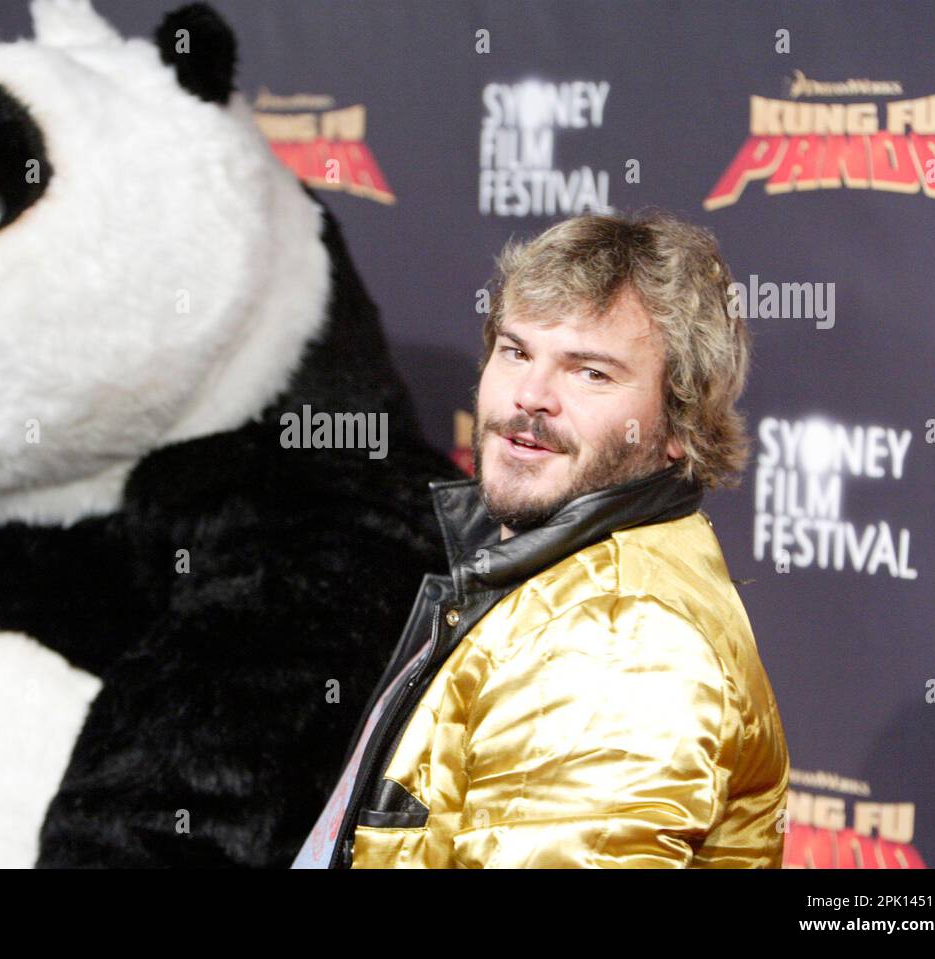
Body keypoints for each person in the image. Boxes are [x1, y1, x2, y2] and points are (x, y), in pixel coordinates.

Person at [293, 211, 790, 868]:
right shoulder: (550, 577)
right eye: (516, 350)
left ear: (679, 428)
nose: (531, 395)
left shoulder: (617, 642)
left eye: (590, 372)